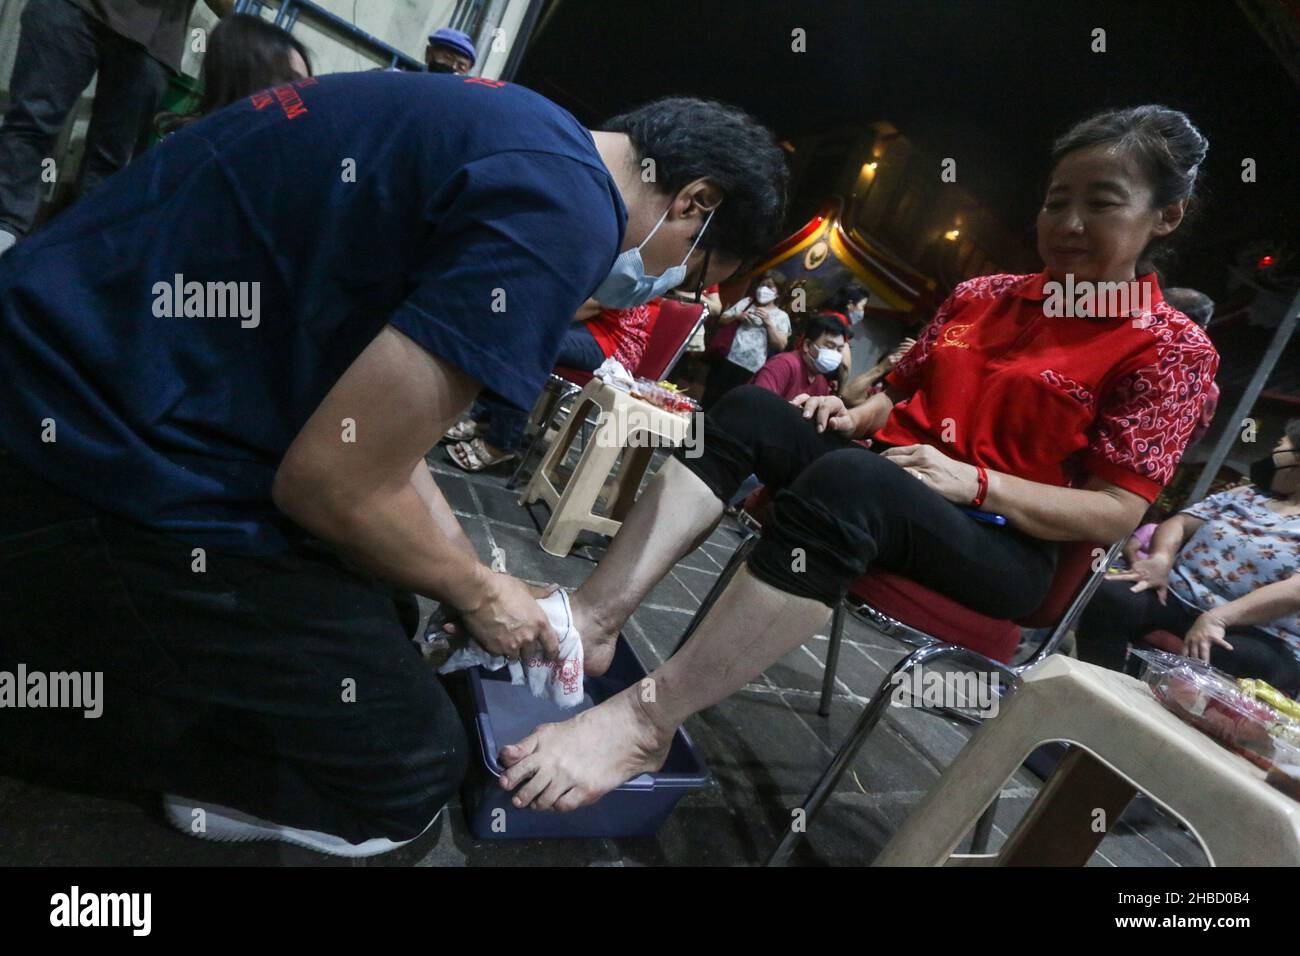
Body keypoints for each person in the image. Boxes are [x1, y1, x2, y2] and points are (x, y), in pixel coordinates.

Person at [0, 80, 786, 854]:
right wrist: (484, 595)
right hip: (92, 430)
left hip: (93, 349)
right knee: (409, 776)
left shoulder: (524, 130)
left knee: (398, 604)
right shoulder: (565, 214)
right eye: (696, 268)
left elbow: (376, 435)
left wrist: (471, 575)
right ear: (693, 202)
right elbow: (334, 481)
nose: (673, 285)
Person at [488, 104, 1220, 813]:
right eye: (1057, 201)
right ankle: (595, 618)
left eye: (1101, 203)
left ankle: (647, 722)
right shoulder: (983, 295)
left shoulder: (1172, 349)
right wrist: (853, 410)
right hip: (893, 481)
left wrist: (979, 483)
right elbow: (894, 394)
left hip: (1004, 548)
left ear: (1166, 216)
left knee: (849, 481)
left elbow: (1115, 509)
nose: (1067, 224)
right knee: (745, 412)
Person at [1078, 422, 1300, 693]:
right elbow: (1181, 523)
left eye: (1280, 445)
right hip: (1180, 599)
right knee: (1109, 596)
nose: (1272, 451)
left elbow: (1295, 589)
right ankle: (1102, 695)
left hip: (1258, 632)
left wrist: (1219, 618)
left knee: (1221, 656)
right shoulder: (1247, 494)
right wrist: (1161, 559)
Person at [0, 0, 233, 257]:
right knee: (31, 126)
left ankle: (71, 262)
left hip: (153, 39)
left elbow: (227, 5)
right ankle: (6, 231)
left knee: (109, 164)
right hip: (71, 8)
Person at [444, 299, 662, 472]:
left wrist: (537, 319)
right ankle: (485, 417)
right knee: (514, 329)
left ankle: (502, 443)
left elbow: (597, 302)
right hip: (591, 324)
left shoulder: (640, 252)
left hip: (616, 344)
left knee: (531, 341)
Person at [153, 13, 312, 137]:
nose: (301, 100)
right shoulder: (191, 154)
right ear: (243, 78)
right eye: (290, 82)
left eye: (304, 87)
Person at [702, 273, 790, 408]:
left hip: (751, 368)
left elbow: (780, 345)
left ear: (778, 293)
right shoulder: (747, 302)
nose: (764, 289)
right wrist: (738, 316)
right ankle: (697, 428)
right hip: (727, 359)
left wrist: (768, 323)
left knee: (731, 405)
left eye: (770, 287)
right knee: (708, 398)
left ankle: (710, 429)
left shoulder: (782, 316)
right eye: (762, 285)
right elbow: (721, 320)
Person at [751, 312, 847, 402]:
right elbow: (758, 404)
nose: (834, 354)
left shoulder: (821, 384)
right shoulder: (782, 365)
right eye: (830, 346)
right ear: (807, 345)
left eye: (839, 350)